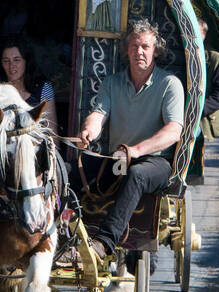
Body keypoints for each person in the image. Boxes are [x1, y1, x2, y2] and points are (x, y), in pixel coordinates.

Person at [75, 19, 183, 260]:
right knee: (70, 170)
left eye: (145, 46)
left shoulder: (169, 84)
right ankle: (65, 235)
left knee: (137, 175)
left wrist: (136, 150)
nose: (139, 52)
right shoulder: (113, 83)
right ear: (127, 50)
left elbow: (174, 131)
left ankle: (104, 242)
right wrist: (88, 132)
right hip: (118, 160)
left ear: (156, 50)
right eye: (134, 46)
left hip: (155, 163)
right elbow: (98, 115)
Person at [189, 16, 219, 181]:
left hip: (205, 115)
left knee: (189, 134)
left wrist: (197, 109)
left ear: (204, 35)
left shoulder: (216, 60)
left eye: (197, 34)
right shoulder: (179, 57)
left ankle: (187, 171)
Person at [0, 38, 58, 136]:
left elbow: (51, 129)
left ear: (27, 61)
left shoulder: (44, 88)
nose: (11, 66)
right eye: (6, 61)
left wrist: (53, 150)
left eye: (17, 60)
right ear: (1, 64)